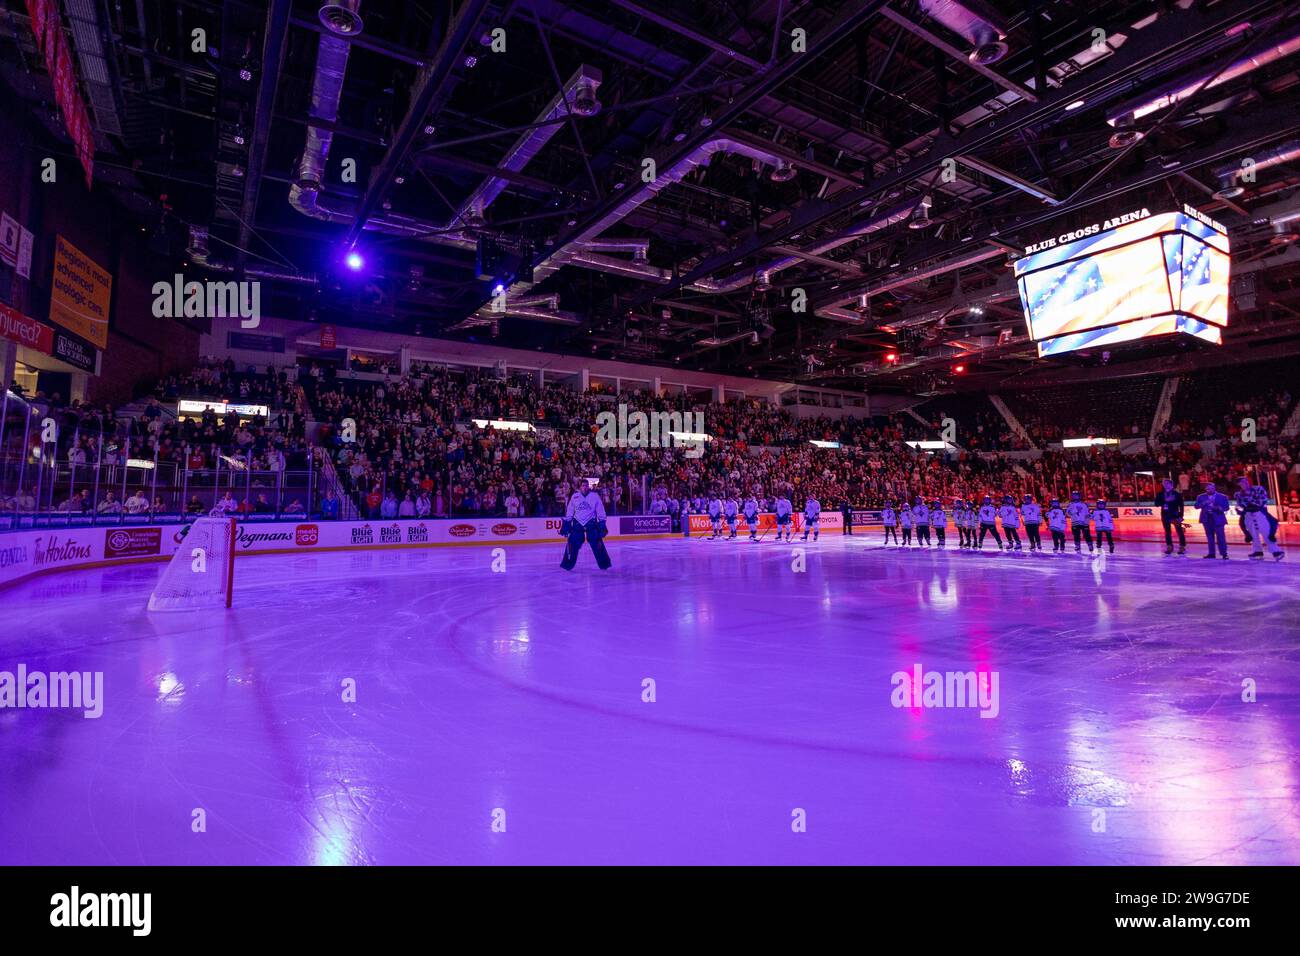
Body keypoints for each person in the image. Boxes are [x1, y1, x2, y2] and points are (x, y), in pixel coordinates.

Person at [560, 478, 611, 571]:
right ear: (580, 487)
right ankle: (567, 565)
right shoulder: (575, 496)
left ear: (589, 486)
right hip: (577, 522)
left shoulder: (595, 496)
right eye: (583, 485)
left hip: (591, 522)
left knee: (597, 541)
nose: (585, 487)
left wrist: (602, 522)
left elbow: (600, 509)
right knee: (572, 542)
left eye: (586, 485)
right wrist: (567, 523)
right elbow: (570, 510)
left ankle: (604, 564)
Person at [1236, 476, 1284, 561]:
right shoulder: (1239, 494)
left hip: (1259, 513)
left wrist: (1249, 502)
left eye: (1245, 481)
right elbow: (1240, 504)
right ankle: (1257, 551)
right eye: (1242, 483)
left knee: (1266, 531)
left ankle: (1276, 551)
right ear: (1239, 484)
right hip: (1248, 515)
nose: (1245, 483)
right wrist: (1244, 507)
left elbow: (1262, 500)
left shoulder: (1258, 489)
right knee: (1253, 533)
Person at [1195, 481, 1230, 560]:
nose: (1209, 490)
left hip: (1218, 519)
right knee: (1210, 537)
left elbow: (1226, 507)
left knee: (1221, 537)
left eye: (1211, 488)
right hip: (1206, 519)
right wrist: (1203, 503)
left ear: (1214, 488)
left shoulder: (1222, 496)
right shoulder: (1201, 497)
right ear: (1205, 489)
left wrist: (1217, 507)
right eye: (1208, 489)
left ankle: (1224, 553)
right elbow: (1196, 506)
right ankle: (1211, 553)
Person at [1155, 478, 1186, 555]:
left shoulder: (1177, 494)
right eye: (1164, 484)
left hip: (1175, 515)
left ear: (1172, 485)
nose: (1166, 485)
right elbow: (1156, 504)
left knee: (1179, 531)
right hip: (1165, 515)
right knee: (1167, 532)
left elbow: (1181, 506)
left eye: (1167, 484)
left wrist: (1181, 516)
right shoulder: (1160, 494)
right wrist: (1166, 501)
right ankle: (1169, 546)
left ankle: (1182, 546)